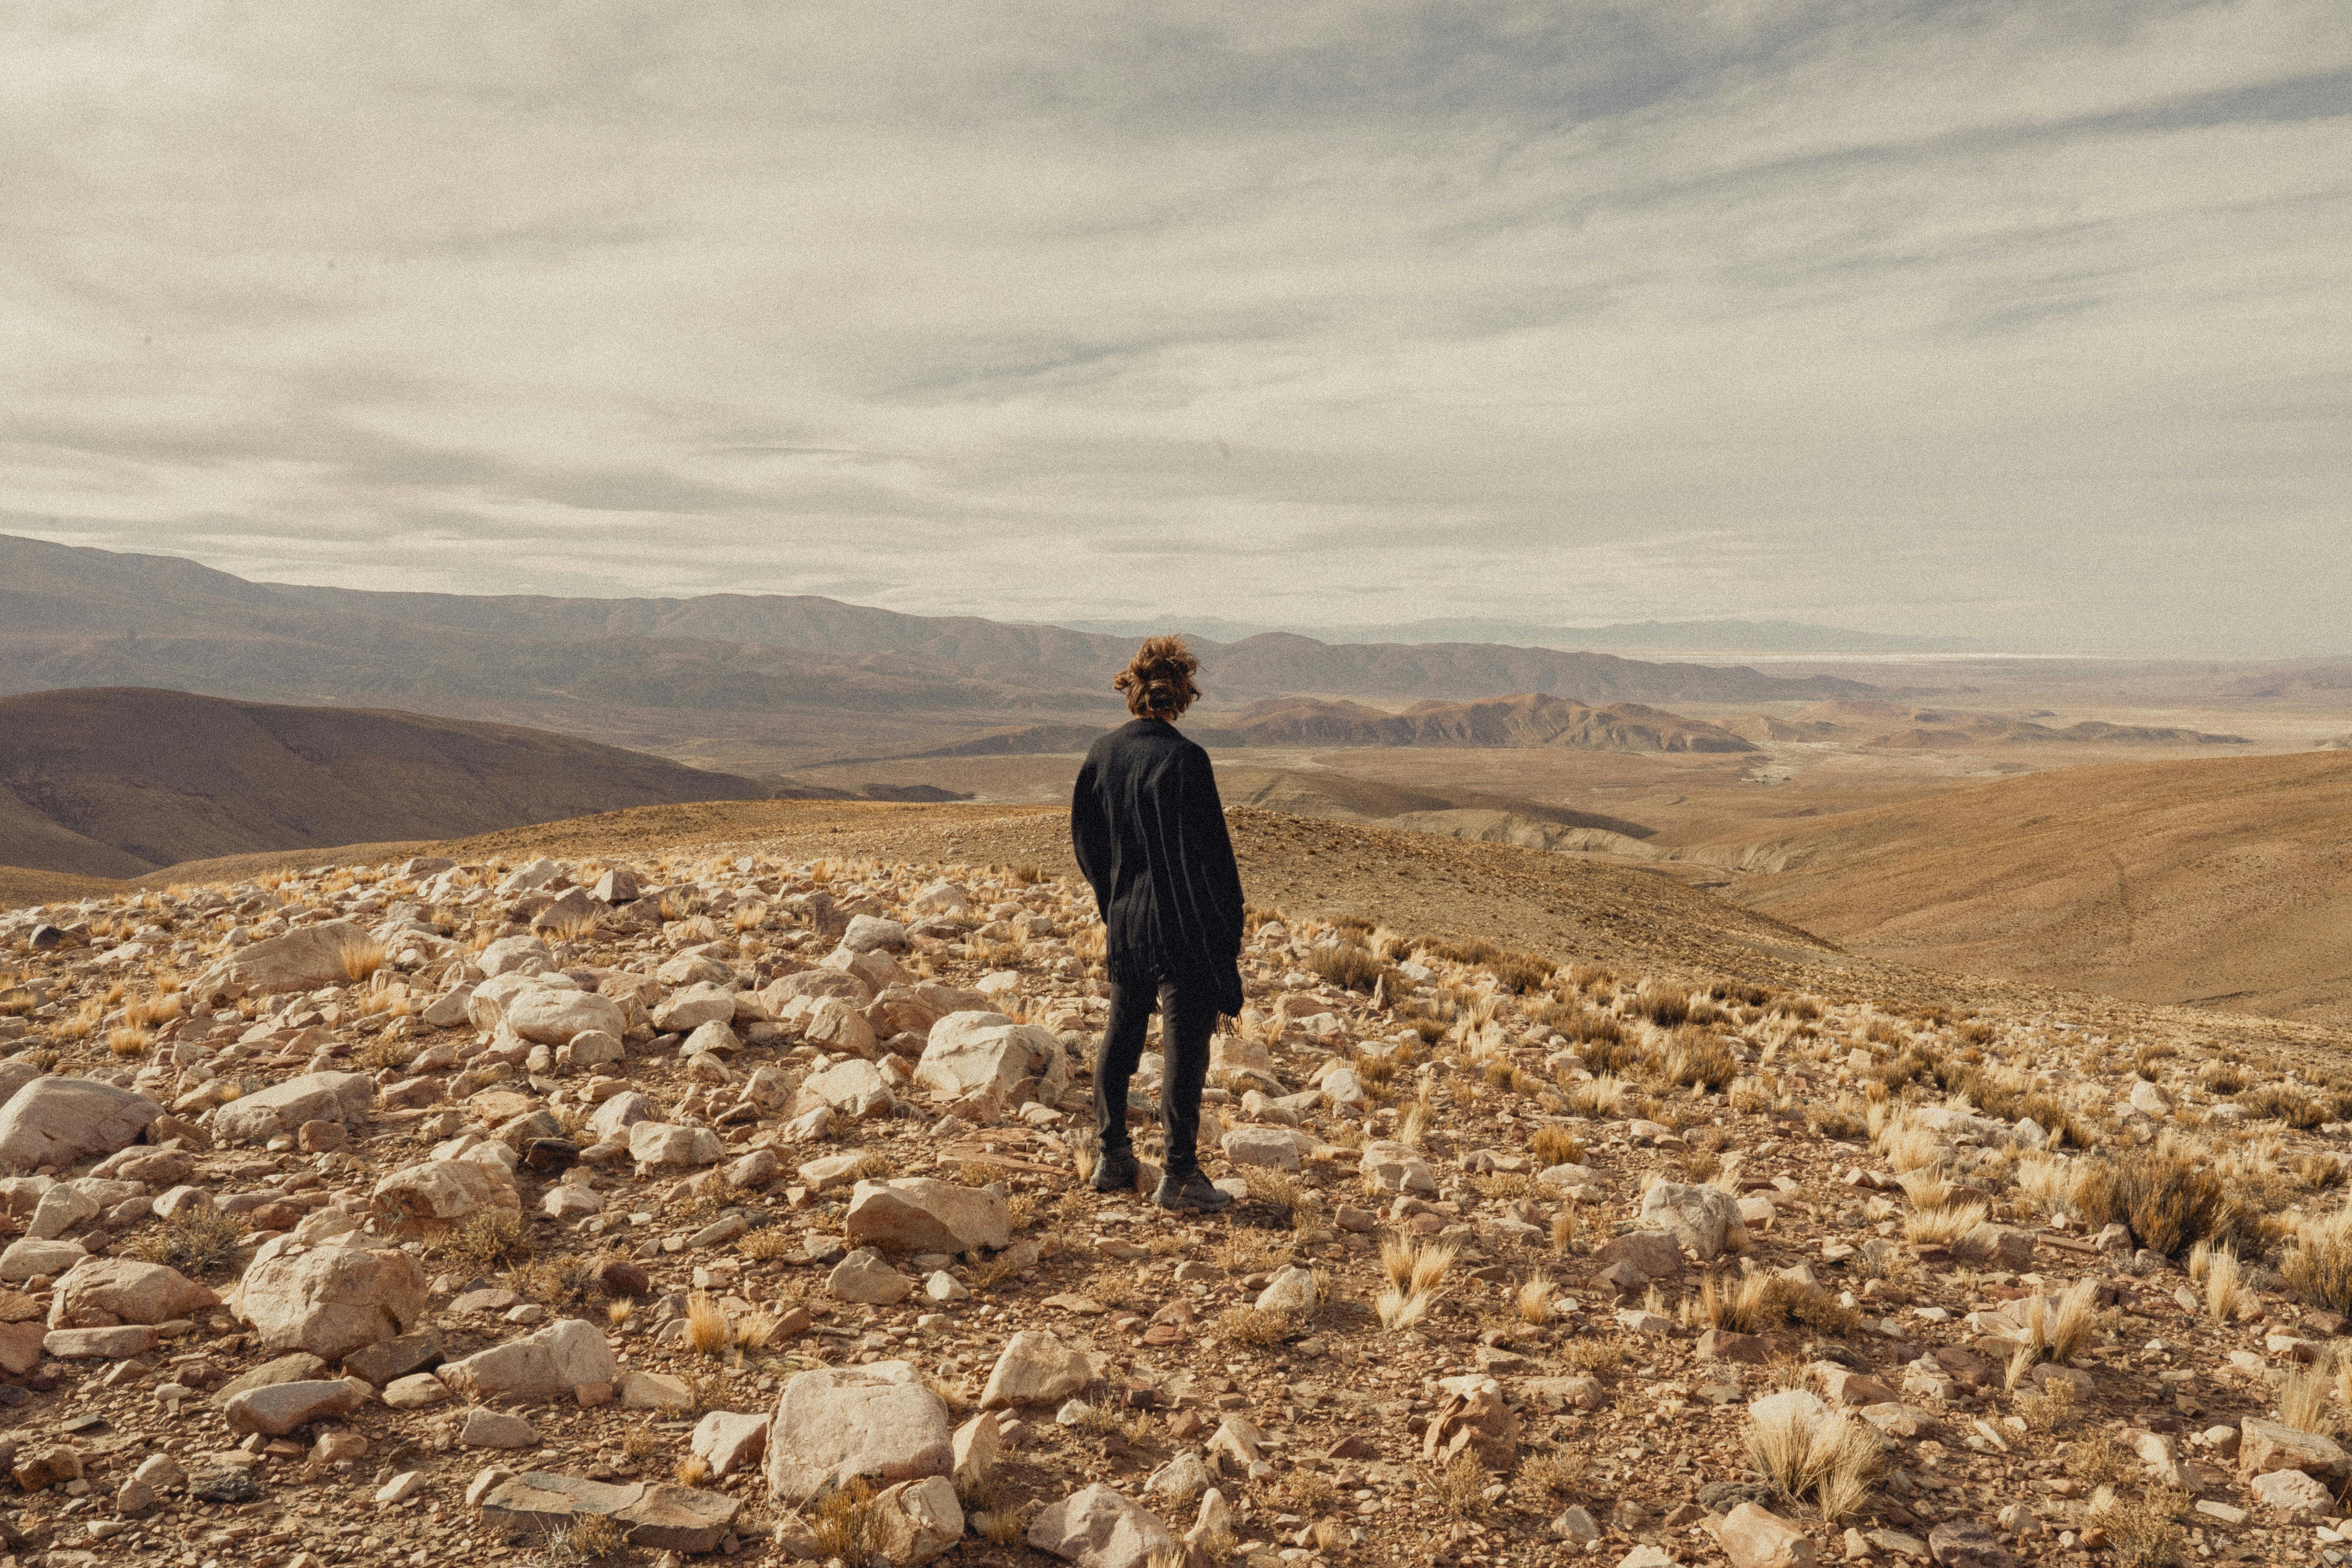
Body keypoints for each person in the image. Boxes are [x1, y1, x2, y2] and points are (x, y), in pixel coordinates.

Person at [1070, 635, 1245, 1213]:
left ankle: (1113, 1157)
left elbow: (1088, 845)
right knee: (1183, 1049)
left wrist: (1114, 901)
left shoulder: (1102, 754)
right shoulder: (1186, 759)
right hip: (1181, 928)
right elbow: (1213, 861)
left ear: (1132, 689)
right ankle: (1180, 1174)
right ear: (1183, 694)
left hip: (1127, 922)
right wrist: (1224, 939)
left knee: (1120, 1034)